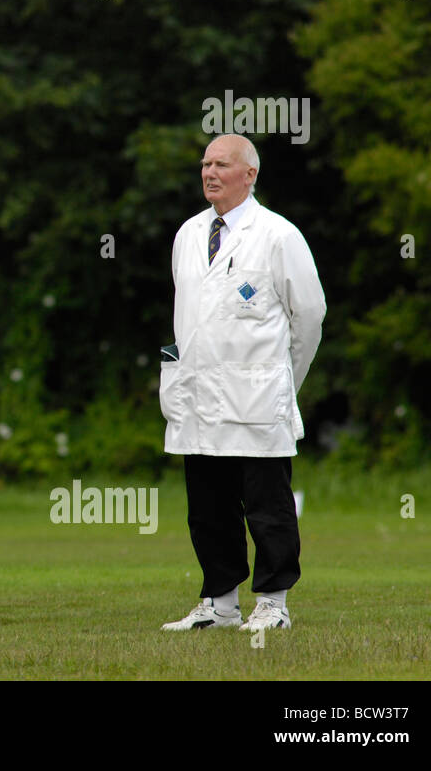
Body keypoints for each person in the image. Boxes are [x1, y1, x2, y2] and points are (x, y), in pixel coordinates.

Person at [159, 134, 325, 633]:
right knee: (207, 507)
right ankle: (219, 603)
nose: (209, 172)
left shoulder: (277, 234)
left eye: (221, 165)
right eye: (205, 164)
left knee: (267, 506)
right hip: (197, 396)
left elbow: (310, 316)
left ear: (249, 174)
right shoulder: (189, 233)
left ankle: (273, 604)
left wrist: (283, 380)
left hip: (257, 399)